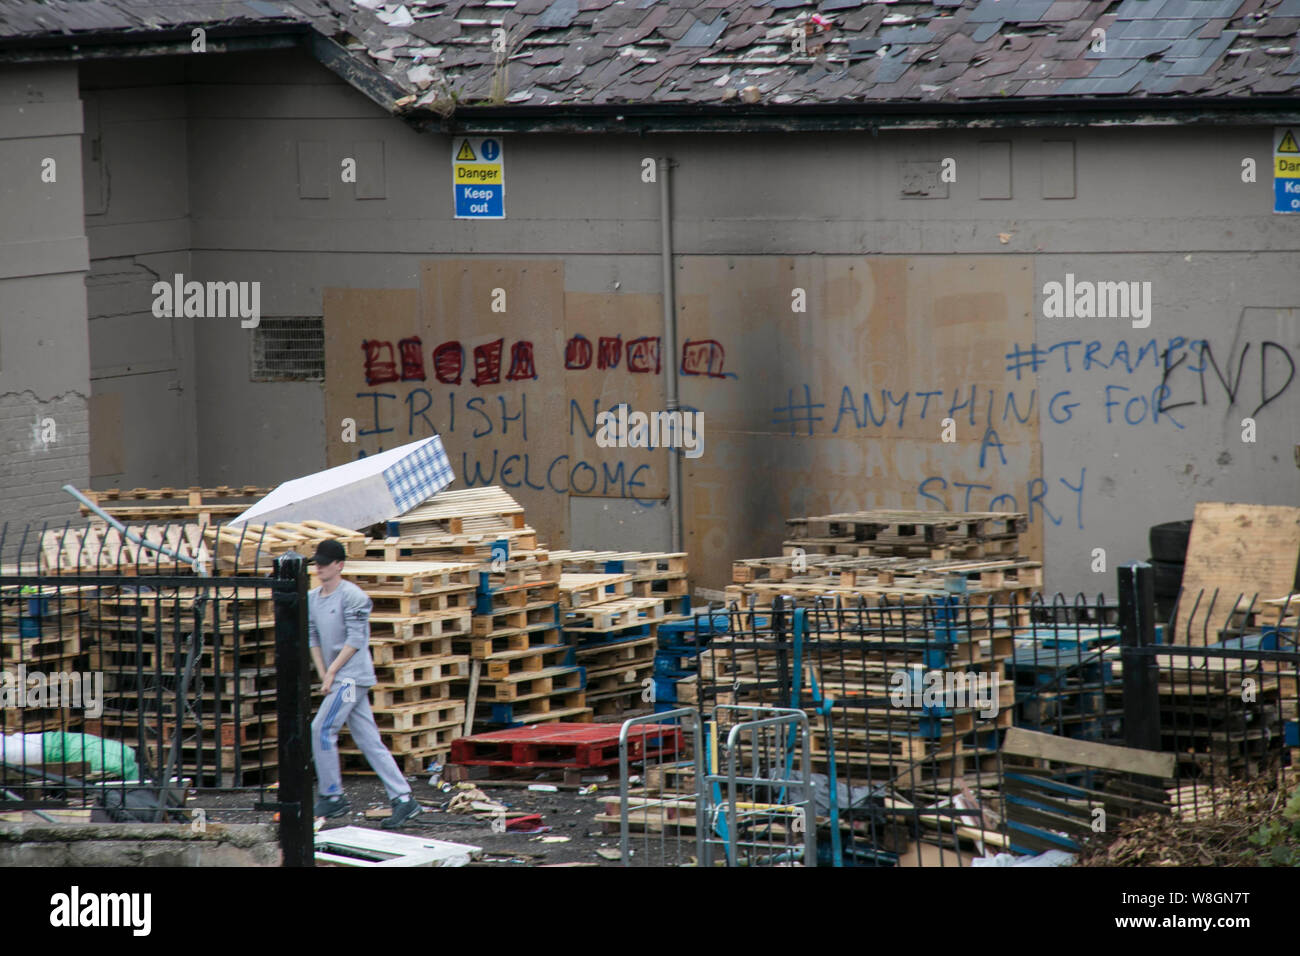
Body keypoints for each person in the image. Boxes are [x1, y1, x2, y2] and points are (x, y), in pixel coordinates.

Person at [308, 538, 422, 829]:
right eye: (317, 562)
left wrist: (332, 672)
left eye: (324, 562)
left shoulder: (354, 597)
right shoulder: (313, 598)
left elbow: (356, 641)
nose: (319, 567)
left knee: (322, 727)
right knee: (369, 741)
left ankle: (332, 796)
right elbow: (313, 638)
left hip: (351, 679)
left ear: (339, 565)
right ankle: (403, 798)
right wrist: (324, 673)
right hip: (338, 678)